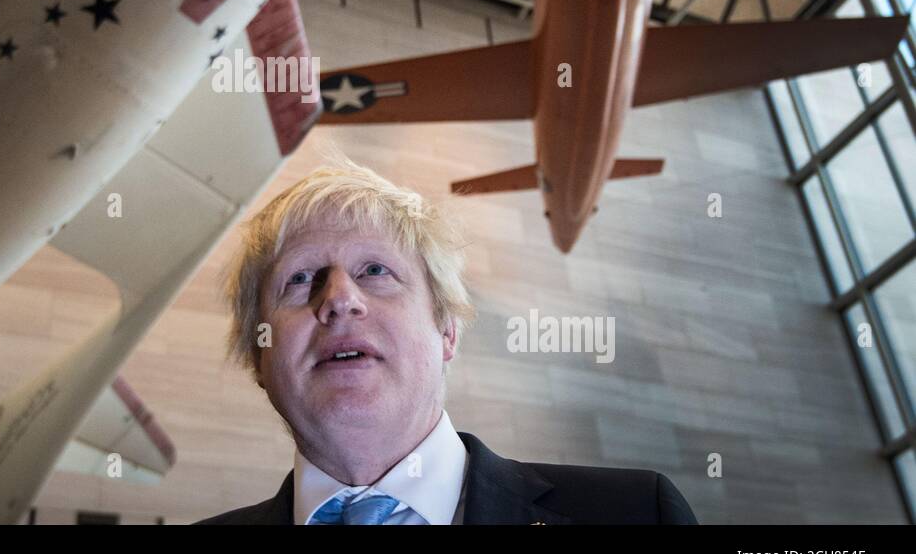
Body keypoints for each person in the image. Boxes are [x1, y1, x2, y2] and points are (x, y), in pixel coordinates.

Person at [195, 158, 698, 525]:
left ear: (447, 331)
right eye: (301, 279)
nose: (340, 299)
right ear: (258, 358)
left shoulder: (636, 512)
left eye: (374, 270)